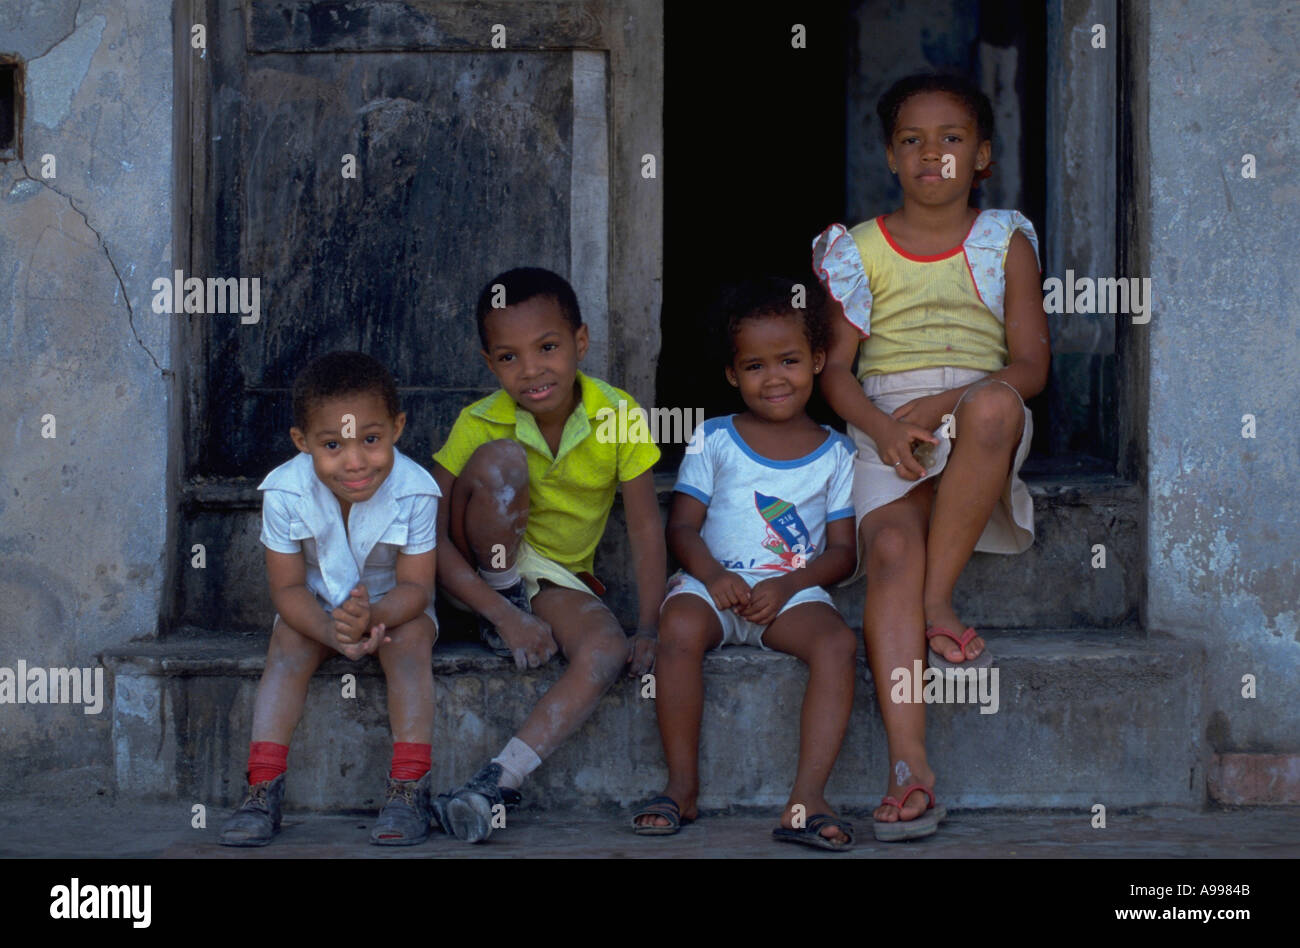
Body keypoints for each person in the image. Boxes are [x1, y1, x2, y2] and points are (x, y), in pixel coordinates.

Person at [814, 72, 1050, 840]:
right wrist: (884, 431)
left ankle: (937, 599)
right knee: (886, 548)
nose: (932, 154)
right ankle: (908, 764)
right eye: (912, 140)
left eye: (952, 139)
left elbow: (1029, 369)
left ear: (981, 154)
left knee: (989, 407)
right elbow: (836, 372)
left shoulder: (1004, 242)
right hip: (887, 425)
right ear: (889, 155)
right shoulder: (854, 250)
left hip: (977, 414)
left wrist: (947, 404)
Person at [430, 266, 665, 843]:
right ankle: (498, 602)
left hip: (552, 578)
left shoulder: (620, 416)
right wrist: (504, 614)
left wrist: (651, 626)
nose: (531, 370)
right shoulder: (479, 420)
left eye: (549, 347)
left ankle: (496, 784)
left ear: (580, 343)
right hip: (474, 570)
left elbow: (645, 529)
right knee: (503, 462)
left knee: (606, 648)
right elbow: (424, 532)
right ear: (490, 365)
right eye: (509, 357)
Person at [631, 277, 859, 850]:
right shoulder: (715, 439)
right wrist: (712, 576)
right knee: (678, 627)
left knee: (836, 645)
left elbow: (841, 552)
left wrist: (789, 585)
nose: (774, 377)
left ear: (818, 361)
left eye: (789, 361)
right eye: (755, 366)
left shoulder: (838, 452)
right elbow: (681, 526)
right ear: (733, 375)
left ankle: (807, 799)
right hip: (712, 583)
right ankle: (681, 786)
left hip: (789, 592)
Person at [219, 351, 441, 847]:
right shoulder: (285, 492)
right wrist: (331, 631)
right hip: (315, 607)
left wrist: (374, 617)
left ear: (397, 428)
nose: (356, 460)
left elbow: (418, 588)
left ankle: (408, 788)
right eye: (332, 444)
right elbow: (287, 589)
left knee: (409, 646)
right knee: (288, 649)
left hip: (395, 607)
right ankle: (262, 787)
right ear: (302, 443)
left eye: (370, 439)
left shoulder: (416, 492)